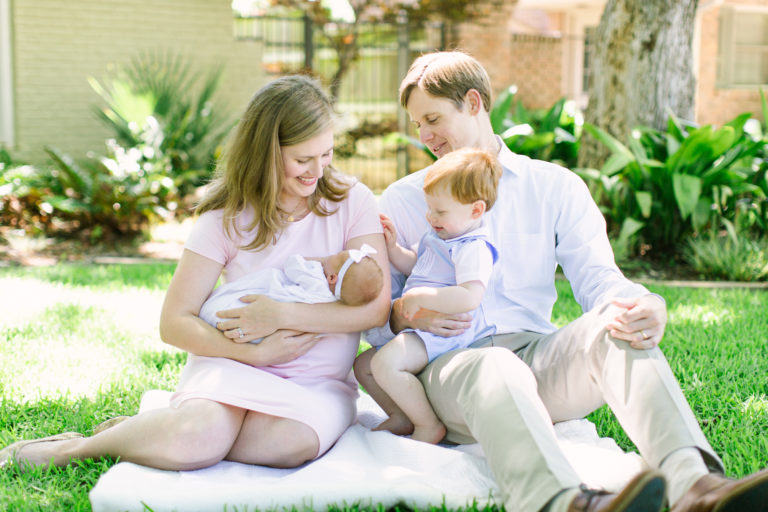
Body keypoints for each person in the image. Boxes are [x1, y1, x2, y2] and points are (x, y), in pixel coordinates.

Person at [364, 51, 768, 512]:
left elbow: (599, 279)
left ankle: (697, 489)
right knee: (495, 367)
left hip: (537, 359)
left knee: (615, 325)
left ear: (473, 102)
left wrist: (644, 303)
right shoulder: (405, 199)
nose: (425, 136)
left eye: (433, 118)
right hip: (447, 366)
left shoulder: (554, 186)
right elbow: (376, 327)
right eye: (417, 125)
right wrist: (404, 311)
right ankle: (563, 503)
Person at [0, 75, 390, 472]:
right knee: (197, 439)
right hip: (233, 365)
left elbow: (375, 310)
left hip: (316, 385)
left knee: (289, 445)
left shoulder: (352, 201)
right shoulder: (226, 214)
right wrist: (252, 352)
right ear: (265, 154)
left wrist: (280, 315)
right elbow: (174, 322)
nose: (317, 173)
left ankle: (154, 431)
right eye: (302, 160)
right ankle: (75, 450)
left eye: (325, 155)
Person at [354, 148, 500, 444]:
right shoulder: (440, 235)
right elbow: (415, 265)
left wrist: (425, 297)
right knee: (363, 366)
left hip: (446, 331)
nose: (431, 217)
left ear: (475, 210)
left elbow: (470, 296)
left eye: (441, 211)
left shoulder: (472, 247)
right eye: (429, 208)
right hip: (422, 326)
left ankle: (428, 425)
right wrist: (394, 249)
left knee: (384, 364)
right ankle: (401, 415)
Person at [198, 244, 384, 341]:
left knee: (233, 301)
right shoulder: (331, 301)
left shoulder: (316, 281)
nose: (329, 256)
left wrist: (314, 260)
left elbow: (293, 265)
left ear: (332, 278)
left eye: (333, 257)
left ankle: (213, 316)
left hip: (271, 299)